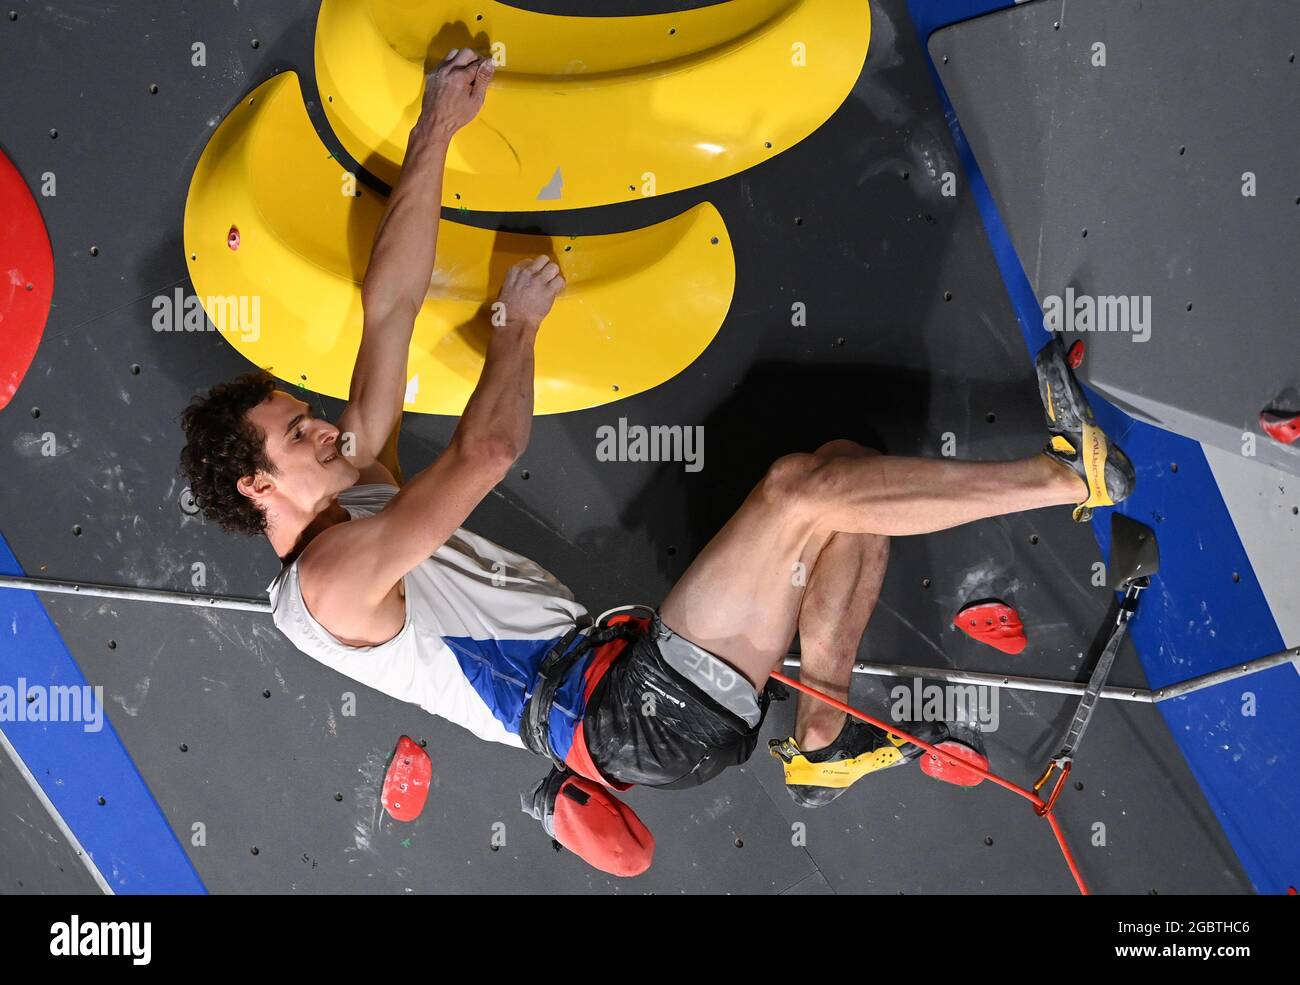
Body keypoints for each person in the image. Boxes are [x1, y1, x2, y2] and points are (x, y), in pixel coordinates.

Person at [178, 49, 1134, 874]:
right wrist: (515, 334)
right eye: (297, 434)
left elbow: (390, 305)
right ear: (257, 487)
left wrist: (436, 127)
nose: (323, 430)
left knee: (840, 475)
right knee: (797, 491)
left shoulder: (351, 486)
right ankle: (1071, 475)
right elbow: (490, 450)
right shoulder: (334, 581)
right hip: (635, 718)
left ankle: (822, 741)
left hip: (629, 682)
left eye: (306, 415)